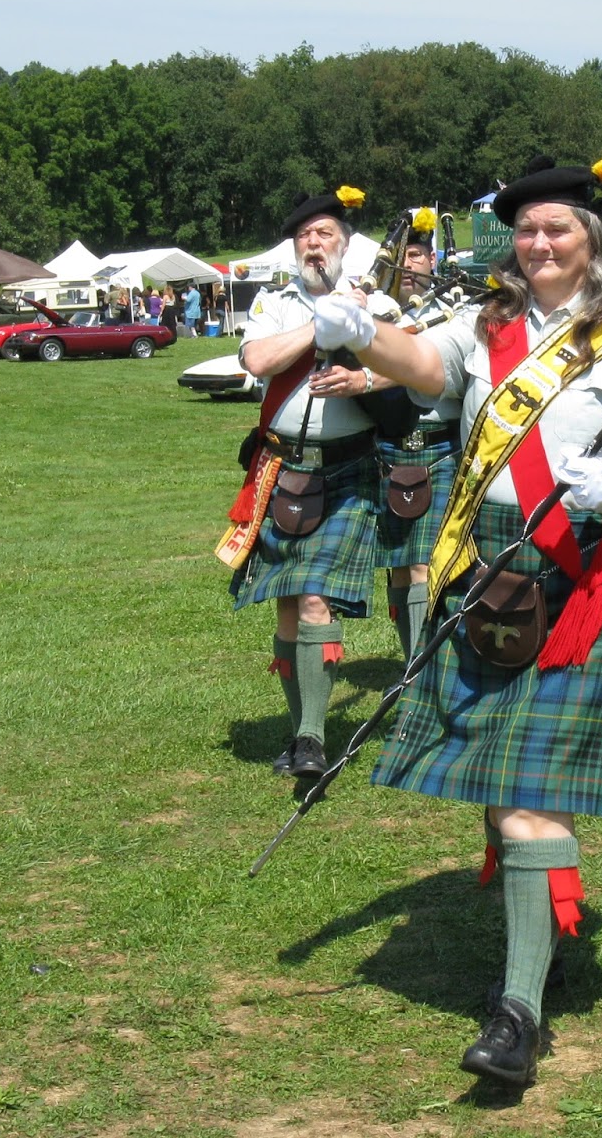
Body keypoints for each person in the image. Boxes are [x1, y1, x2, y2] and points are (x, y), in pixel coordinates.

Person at [307, 153, 602, 1089]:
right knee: (498, 781)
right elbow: (424, 367)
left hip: (583, 580)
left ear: (593, 239)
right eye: (527, 230)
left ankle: (517, 1014)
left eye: (558, 227)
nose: (540, 242)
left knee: (529, 796)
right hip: (484, 571)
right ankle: (541, 939)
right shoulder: (486, 327)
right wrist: (361, 334)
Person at [225, 185, 381, 781]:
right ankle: (300, 732)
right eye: (305, 237)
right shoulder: (274, 303)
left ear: (345, 246)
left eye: (326, 236)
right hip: (281, 466)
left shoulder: (376, 301)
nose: (314, 246)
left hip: (347, 466)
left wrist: (362, 375)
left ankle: (313, 739)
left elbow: (413, 368)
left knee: (315, 594)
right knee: (287, 603)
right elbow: (259, 362)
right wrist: (325, 321)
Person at [366, 209, 461, 661]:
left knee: (428, 565)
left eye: (419, 255)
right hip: (388, 450)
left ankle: (428, 664)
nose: (409, 264)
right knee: (401, 567)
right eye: (403, 255)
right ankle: (412, 663)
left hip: (443, 447)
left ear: (432, 263)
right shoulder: (369, 314)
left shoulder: (454, 311)